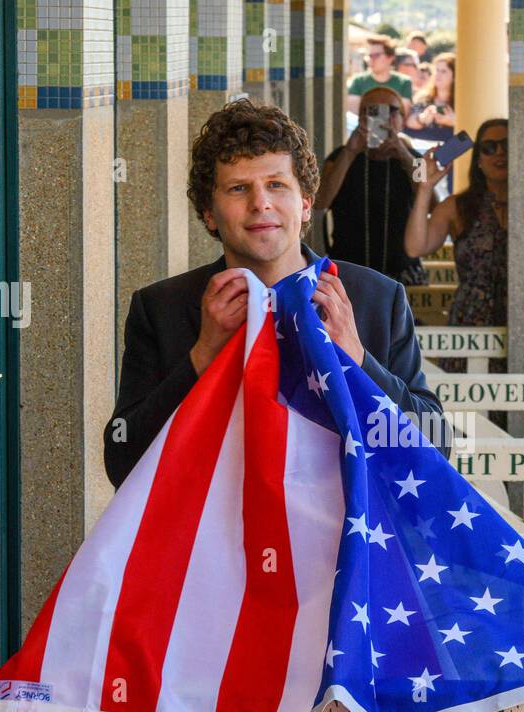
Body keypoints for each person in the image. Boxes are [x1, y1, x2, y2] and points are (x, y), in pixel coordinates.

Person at [104, 97, 445, 495]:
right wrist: (202, 357)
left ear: (305, 204)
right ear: (209, 213)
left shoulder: (376, 298)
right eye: (238, 188)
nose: (260, 203)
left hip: (345, 544)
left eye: (276, 185)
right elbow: (122, 462)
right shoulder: (161, 308)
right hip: (216, 546)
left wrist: (357, 357)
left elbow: (436, 446)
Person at [404, 120, 509, 373]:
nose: (499, 153)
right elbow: (415, 247)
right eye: (489, 147)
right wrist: (425, 187)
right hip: (472, 320)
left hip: (522, 316)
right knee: (472, 407)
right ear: (478, 160)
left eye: (506, 145)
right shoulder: (459, 207)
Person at [316, 87, 429, 286]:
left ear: (402, 120)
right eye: (372, 111)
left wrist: (404, 155)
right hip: (348, 272)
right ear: (360, 118)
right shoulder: (340, 157)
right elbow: (320, 202)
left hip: (403, 272)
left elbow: (430, 201)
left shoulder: (416, 161)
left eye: (391, 111)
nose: (382, 118)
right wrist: (350, 152)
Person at [346, 34, 413, 116]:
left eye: (376, 55)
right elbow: (353, 113)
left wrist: (367, 109)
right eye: (370, 56)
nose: (371, 60)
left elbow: (401, 114)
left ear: (390, 58)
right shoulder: (358, 81)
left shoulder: (404, 82)